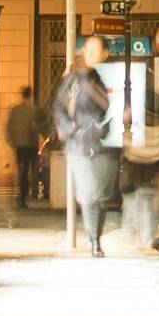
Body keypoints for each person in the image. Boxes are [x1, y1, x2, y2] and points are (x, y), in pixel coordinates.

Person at [51, 34, 118, 257]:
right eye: (88, 49)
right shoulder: (72, 79)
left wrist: (103, 128)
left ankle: (96, 239)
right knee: (89, 191)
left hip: (98, 143)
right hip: (78, 144)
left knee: (102, 196)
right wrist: (72, 130)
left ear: (104, 55)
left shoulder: (100, 78)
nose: (90, 53)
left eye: (95, 50)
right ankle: (94, 241)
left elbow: (108, 110)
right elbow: (58, 108)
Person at [121, 119, 159, 250]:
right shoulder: (155, 141)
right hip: (141, 181)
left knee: (133, 212)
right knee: (141, 212)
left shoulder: (131, 138)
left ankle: (133, 241)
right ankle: (145, 242)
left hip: (136, 181)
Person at [6, 86, 44, 208]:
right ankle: (24, 196)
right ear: (30, 95)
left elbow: (9, 129)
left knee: (22, 171)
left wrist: (13, 142)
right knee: (29, 171)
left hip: (20, 146)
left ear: (22, 95)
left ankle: (22, 196)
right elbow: (39, 126)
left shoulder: (15, 110)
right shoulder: (34, 110)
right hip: (31, 145)